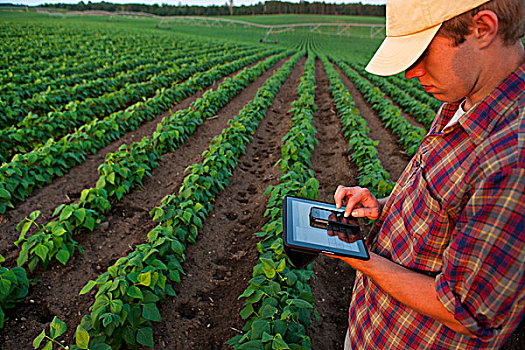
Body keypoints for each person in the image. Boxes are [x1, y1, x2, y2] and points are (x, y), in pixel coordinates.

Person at [327, 0, 525, 349]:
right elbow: (444, 204)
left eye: (421, 52)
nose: (411, 72)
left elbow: (465, 310)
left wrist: (362, 260)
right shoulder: (461, 98)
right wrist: (384, 206)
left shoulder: (512, 156)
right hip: (375, 327)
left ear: (482, 29)